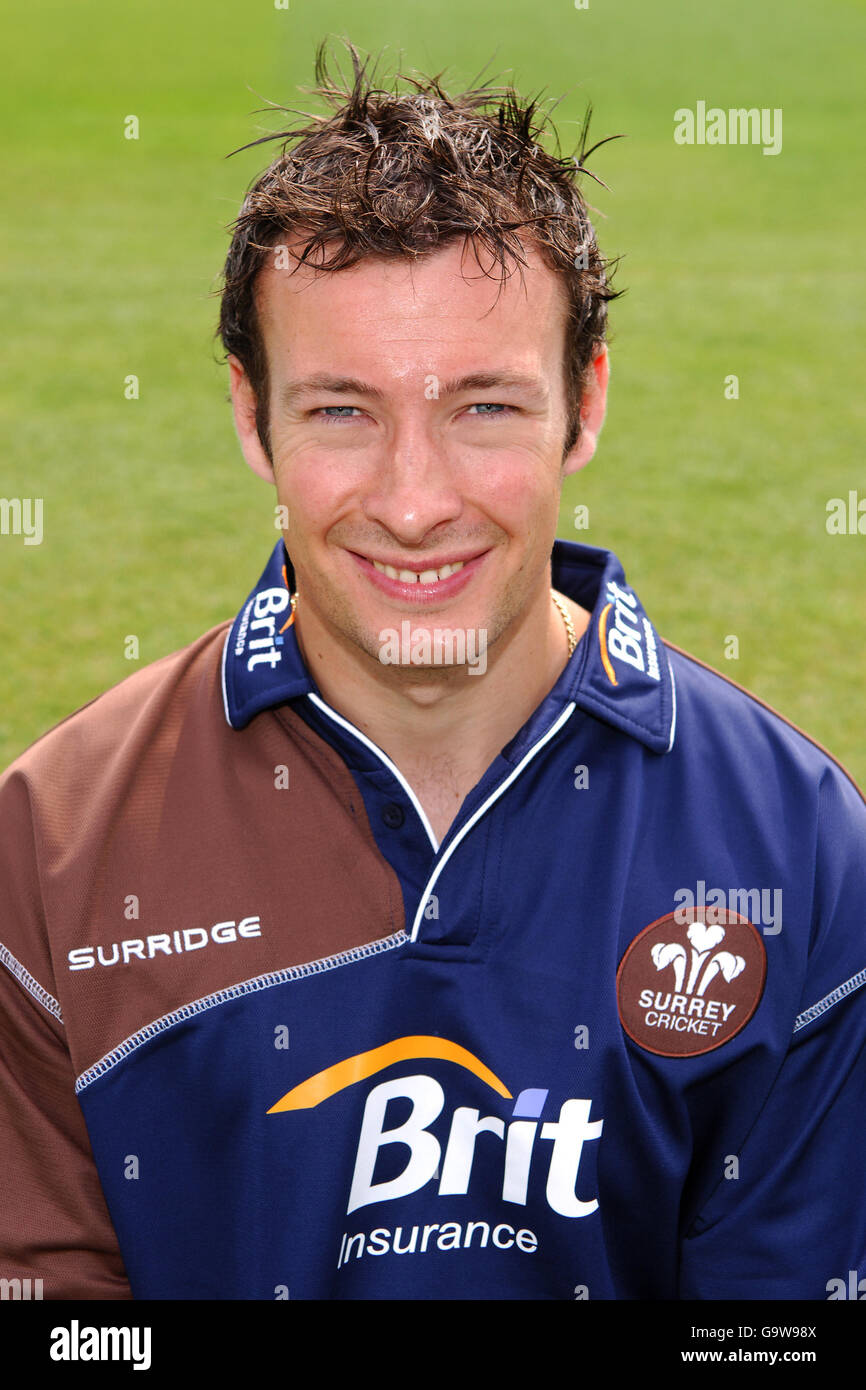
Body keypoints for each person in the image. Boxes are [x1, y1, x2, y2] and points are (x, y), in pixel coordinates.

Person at [1, 44, 864, 1302]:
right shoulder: (51, 846)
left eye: (484, 409)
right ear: (252, 418)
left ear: (585, 404)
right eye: (342, 410)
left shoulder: (795, 846)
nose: (414, 503)